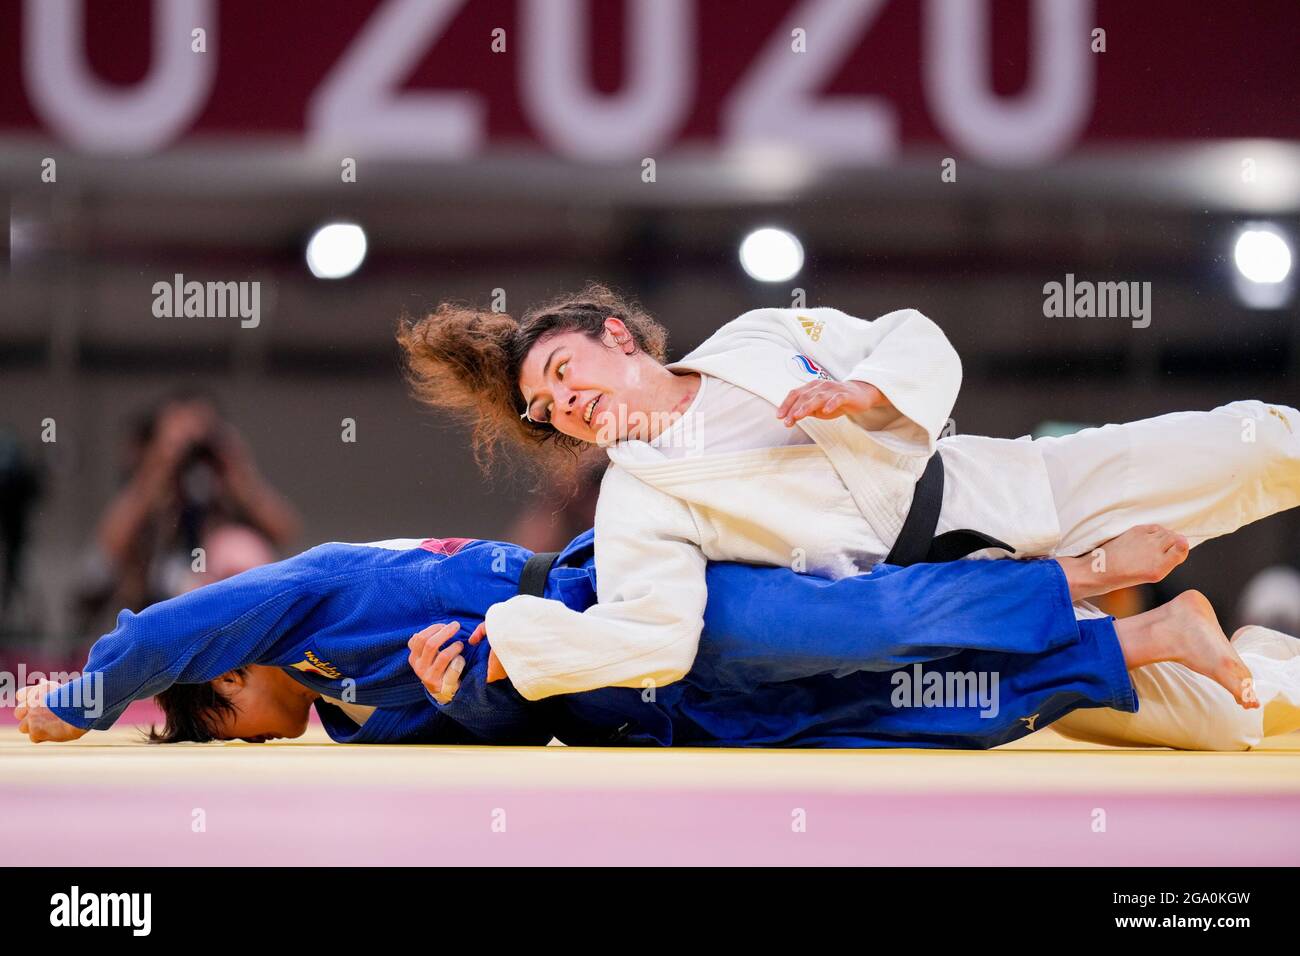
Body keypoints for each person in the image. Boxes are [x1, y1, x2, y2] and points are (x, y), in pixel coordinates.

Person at [396, 285, 1299, 706]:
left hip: (1003, 484)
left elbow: (911, 332)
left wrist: (868, 395)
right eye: (548, 410)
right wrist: (509, 640)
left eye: (564, 372)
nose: (567, 406)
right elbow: (654, 639)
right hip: (955, 613)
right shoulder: (638, 501)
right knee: (1217, 715)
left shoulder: (755, 337)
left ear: (617, 336)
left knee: (1251, 440)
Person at [14, 527, 1300, 751]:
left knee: (858, 620)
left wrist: (77, 694)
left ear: (224, 680)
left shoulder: (305, 601)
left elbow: (177, 622)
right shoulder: (360, 708)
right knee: (916, 704)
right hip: (638, 699)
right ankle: (1137, 647)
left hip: (616, 600)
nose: (260, 735)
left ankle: (1079, 577)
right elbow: (512, 731)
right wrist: (457, 702)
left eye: (226, 721)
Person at [76, 392, 300, 635]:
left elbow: (285, 530)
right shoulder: (148, 493)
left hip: (224, 627)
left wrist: (236, 470)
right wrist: (161, 464)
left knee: (239, 549)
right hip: (157, 626)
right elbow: (111, 546)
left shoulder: (227, 491)